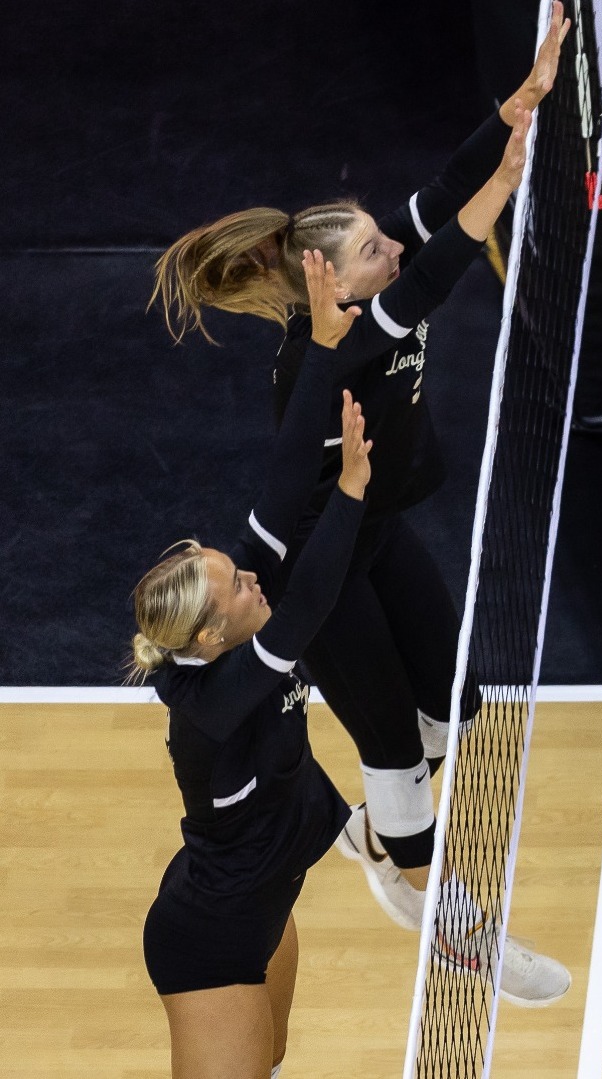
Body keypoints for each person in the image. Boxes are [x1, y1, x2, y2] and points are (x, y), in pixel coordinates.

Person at [148, 3, 574, 1006]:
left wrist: (515, 106)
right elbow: (438, 267)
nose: (393, 247)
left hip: (372, 530)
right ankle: (442, 912)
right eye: (374, 249)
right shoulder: (335, 346)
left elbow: (436, 202)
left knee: (453, 709)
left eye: (382, 239)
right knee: (394, 750)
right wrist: (508, 181)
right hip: (316, 571)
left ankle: (385, 829)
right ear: (332, 290)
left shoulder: (364, 287)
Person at [132, 255, 369, 1078]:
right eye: (235, 586)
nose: (253, 578)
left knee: (269, 1056)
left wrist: (324, 348)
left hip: (269, 901)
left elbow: (283, 476)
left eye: (236, 568)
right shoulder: (217, 700)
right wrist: (350, 492)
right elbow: (308, 607)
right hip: (209, 939)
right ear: (208, 637)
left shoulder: (234, 631)